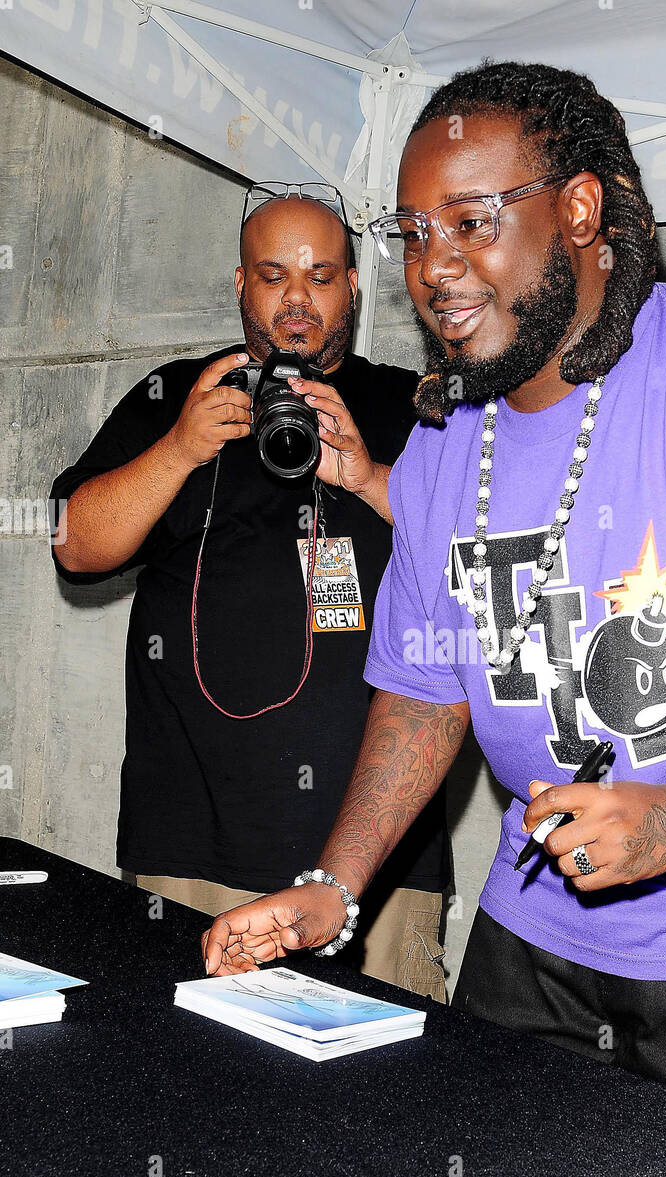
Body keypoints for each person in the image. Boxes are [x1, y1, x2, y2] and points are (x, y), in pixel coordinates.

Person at [201, 64, 666, 1142]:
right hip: (532, 928)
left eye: (471, 221)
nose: (434, 268)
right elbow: (424, 686)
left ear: (579, 211)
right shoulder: (444, 439)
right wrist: (334, 888)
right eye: (411, 232)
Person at [50, 184, 449, 1000]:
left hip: (375, 866)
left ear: (353, 286)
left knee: (379, 1113)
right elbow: (73, 545)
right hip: (190, 851)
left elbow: (488, 568)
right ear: (240, 284)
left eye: (322, 275)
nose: (298, 299)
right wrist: (179, 449)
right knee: (186, 1094)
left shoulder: (415, 406)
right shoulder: (177, 395)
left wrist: (370, 476)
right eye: (273, 275)